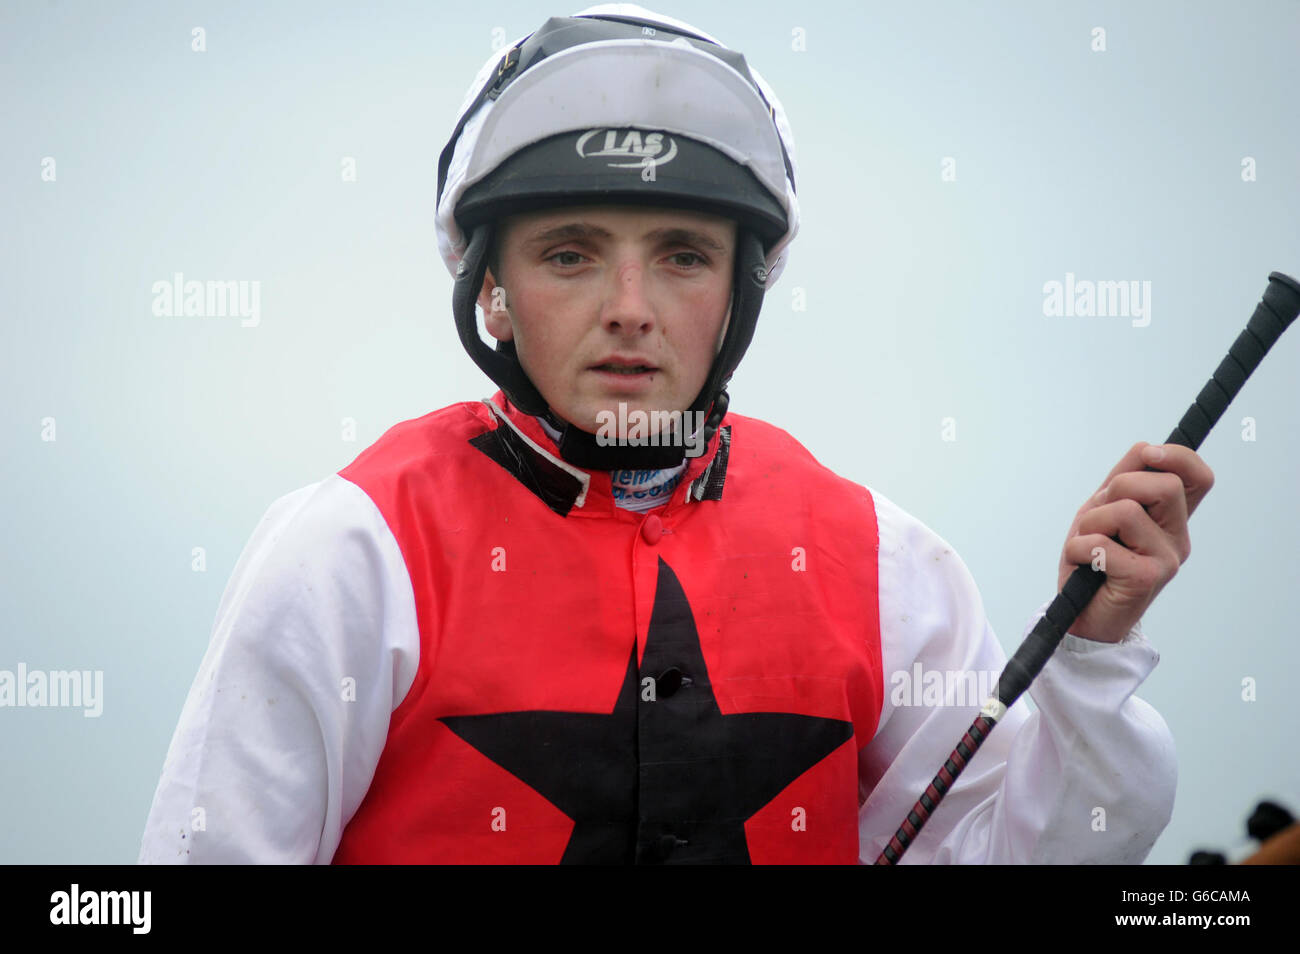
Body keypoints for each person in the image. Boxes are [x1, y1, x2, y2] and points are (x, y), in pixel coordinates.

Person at [138, 4, 1215, 864]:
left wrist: (1086, 656)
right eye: (568, 253)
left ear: (743, 291)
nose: (630, 306)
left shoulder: (882, 560)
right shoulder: (350, 547)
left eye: (683, 256)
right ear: (492, 292)